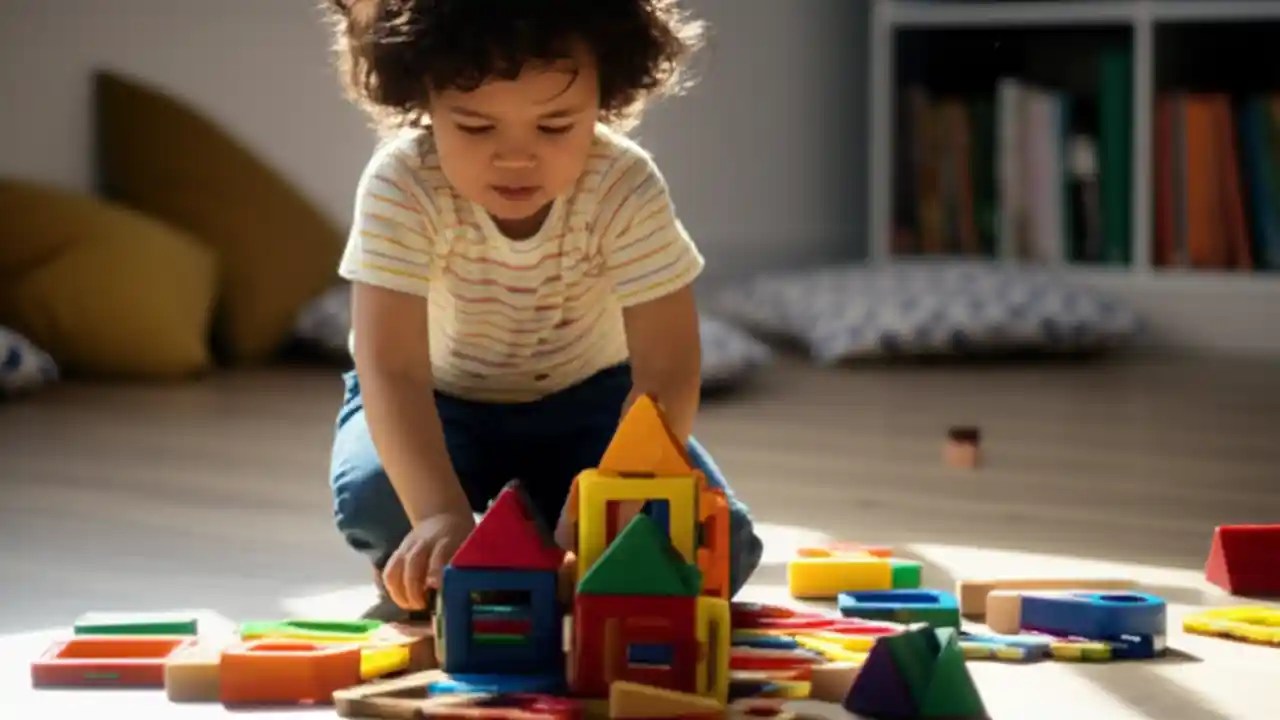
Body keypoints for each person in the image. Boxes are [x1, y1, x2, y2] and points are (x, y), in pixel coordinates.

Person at [322, 0, 763, 620]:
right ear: (423, 98)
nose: (516, 158)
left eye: (555, 126)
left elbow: (666, 368)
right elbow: (390, 369)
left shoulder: (624, 185)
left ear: (604, 95)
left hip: (592, 408)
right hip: (441, 408)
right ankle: (462, 550)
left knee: (723, 548)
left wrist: (619, 493)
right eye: (476, 127)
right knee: (377, 502)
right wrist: (439, 515)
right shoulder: (401, 184)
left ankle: (526, 538)